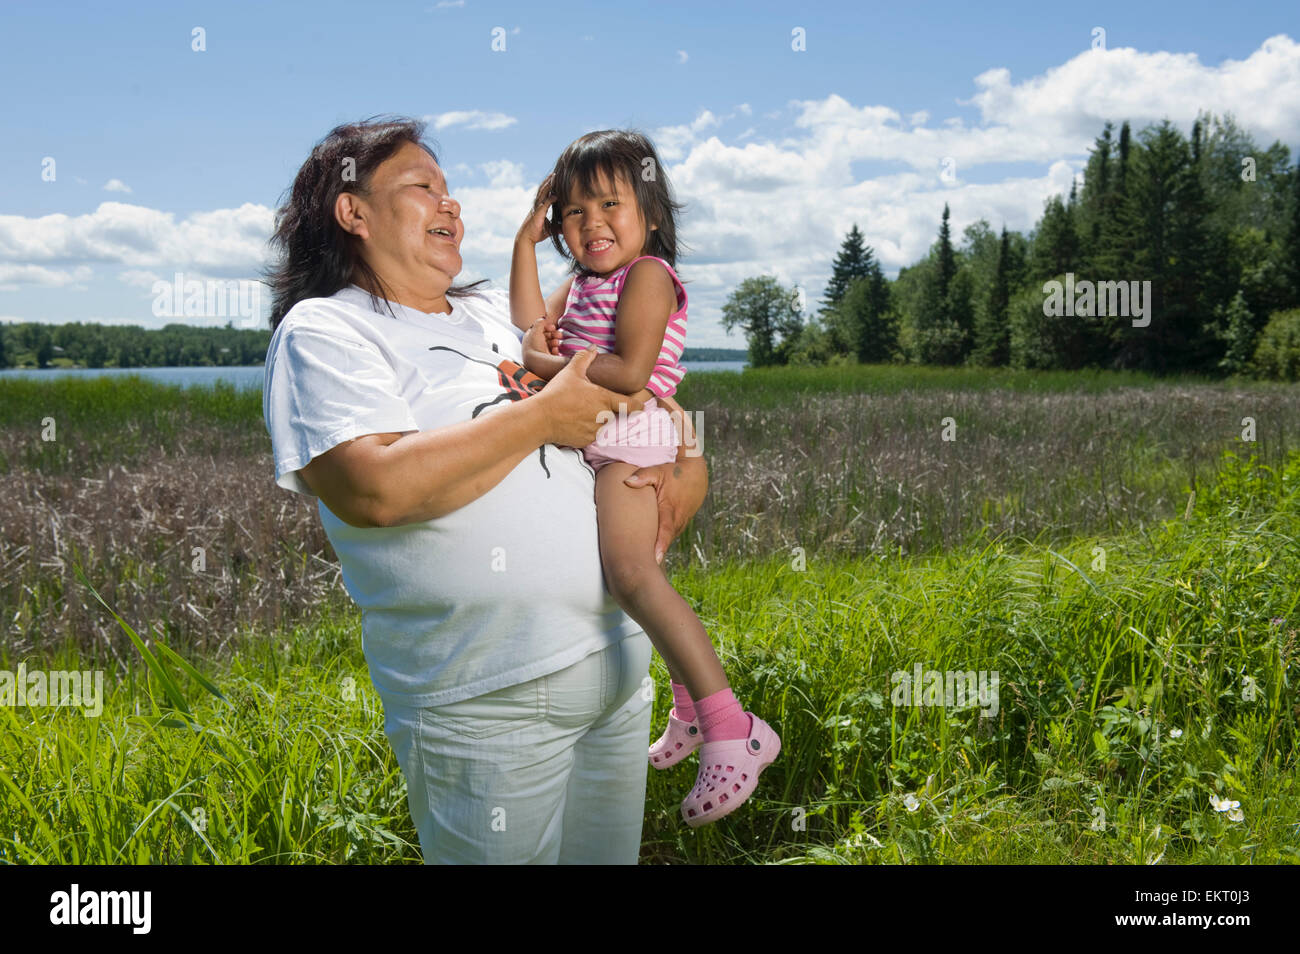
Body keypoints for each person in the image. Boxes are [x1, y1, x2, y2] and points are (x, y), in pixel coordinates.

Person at [261, 116, 708, 863]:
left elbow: (632, 382)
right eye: (423, 187)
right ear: (353, 211)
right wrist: (541, 416)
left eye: (450, 189)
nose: (450, 204)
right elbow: (373, 488)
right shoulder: (327, 331)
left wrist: (692, 458)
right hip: (487, 695)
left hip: (615, 664)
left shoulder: (491, 316)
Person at [509, 130, 780, 827]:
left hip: (634, 436)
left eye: (609, 204)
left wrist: (543, 366)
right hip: (607, 437)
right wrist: (523, 243)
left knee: (633, 576)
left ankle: (733, 727)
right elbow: (527, 324)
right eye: (572, 212)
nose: (590, 222)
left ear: (651, 214)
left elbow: (630, 374)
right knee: (635, 581)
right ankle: (689, 707)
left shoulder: (648, 276)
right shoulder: (584, 284)